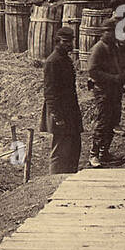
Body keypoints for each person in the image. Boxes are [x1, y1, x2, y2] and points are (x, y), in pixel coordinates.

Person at [85, 17, 125, 168]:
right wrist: (114, 78)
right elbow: (92, 71)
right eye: (110, 32)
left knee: (112, 122)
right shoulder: (99, 48)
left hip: (114, 91)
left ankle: (105, 152)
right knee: (103, 122)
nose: (113, 34)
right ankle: (94, 154)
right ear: (103, 33)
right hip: (103, 91)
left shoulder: (114, 47)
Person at [41, 26, 82, 174]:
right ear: (57, 42)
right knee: (60, 149)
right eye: (65, 41)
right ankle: (54, 182)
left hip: (70, 110)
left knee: (74, 146)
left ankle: (71, 177)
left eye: (71, 41)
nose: (69, 44)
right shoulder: (53, 62)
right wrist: (57, 117)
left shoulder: (65, 60)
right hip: (61, 113)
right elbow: (50, 93)